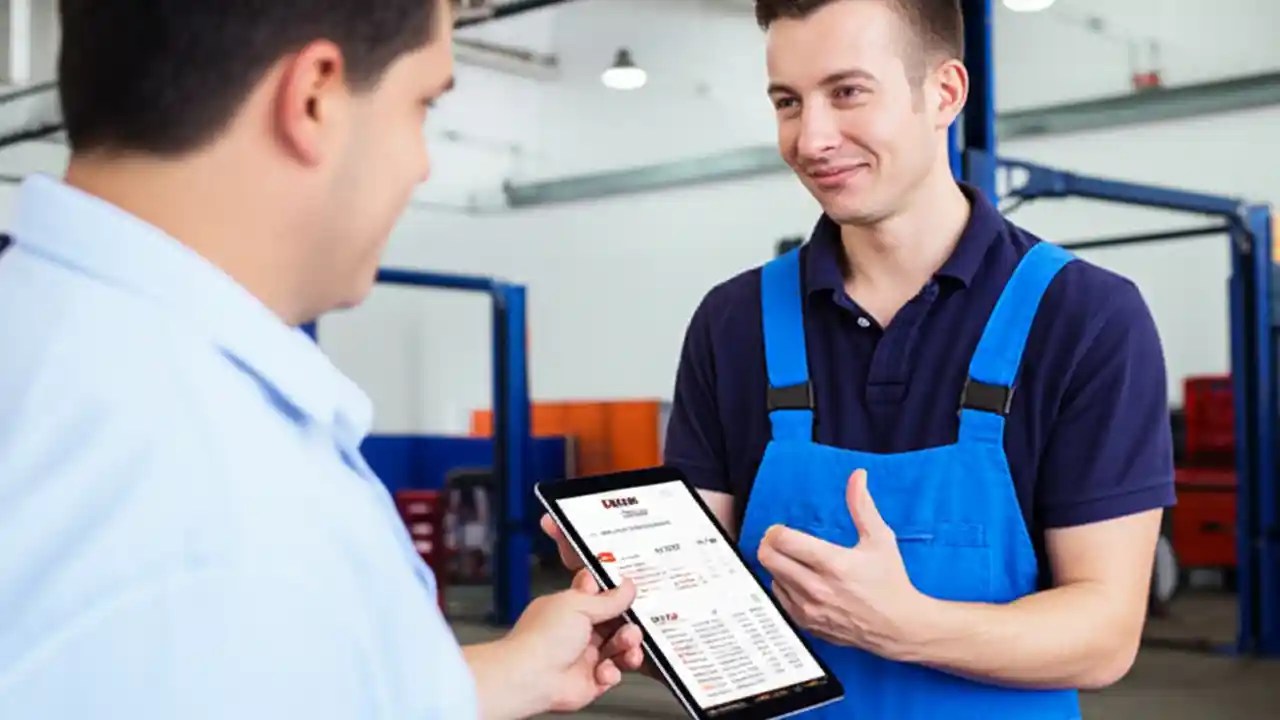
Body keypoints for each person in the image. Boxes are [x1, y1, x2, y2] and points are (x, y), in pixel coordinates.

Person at [0, 1, 644, 718]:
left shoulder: (55, 349)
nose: (423, 164)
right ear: (314, 97)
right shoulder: (215, 512)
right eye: (422, 104)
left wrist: (503, 673)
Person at [542, 0, 1176, 717]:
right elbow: (700, 619)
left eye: (847, 93)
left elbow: (1105, 636)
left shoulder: (1086, 318)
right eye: (788, 101)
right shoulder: (733, 322)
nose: (811, 139)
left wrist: (906, 628)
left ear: (944, 93)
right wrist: (632, 598)